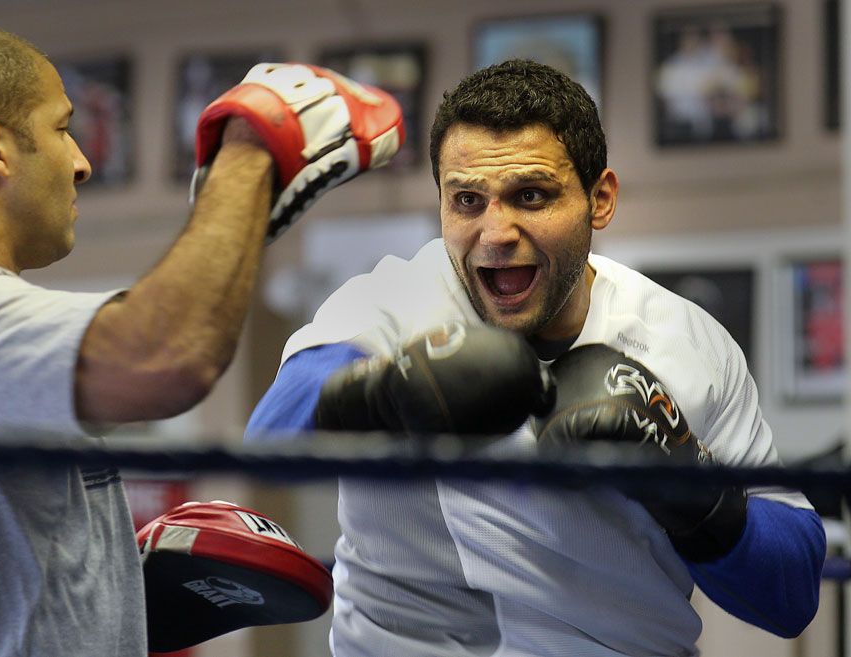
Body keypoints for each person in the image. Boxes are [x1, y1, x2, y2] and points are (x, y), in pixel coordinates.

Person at [0, 20, 402, 657]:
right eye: (62, 127)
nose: (82, 162)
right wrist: (251, 148)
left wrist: (118, 591)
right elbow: (169, 355)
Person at [246, 59, 825, 657]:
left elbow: (793, 596)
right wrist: (385, 395)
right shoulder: (394, 304)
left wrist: (692, 487)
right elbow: (266, 445)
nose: (496, 232)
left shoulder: (686, 343)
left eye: (530, 195)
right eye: (467, 200)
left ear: (600, 199)